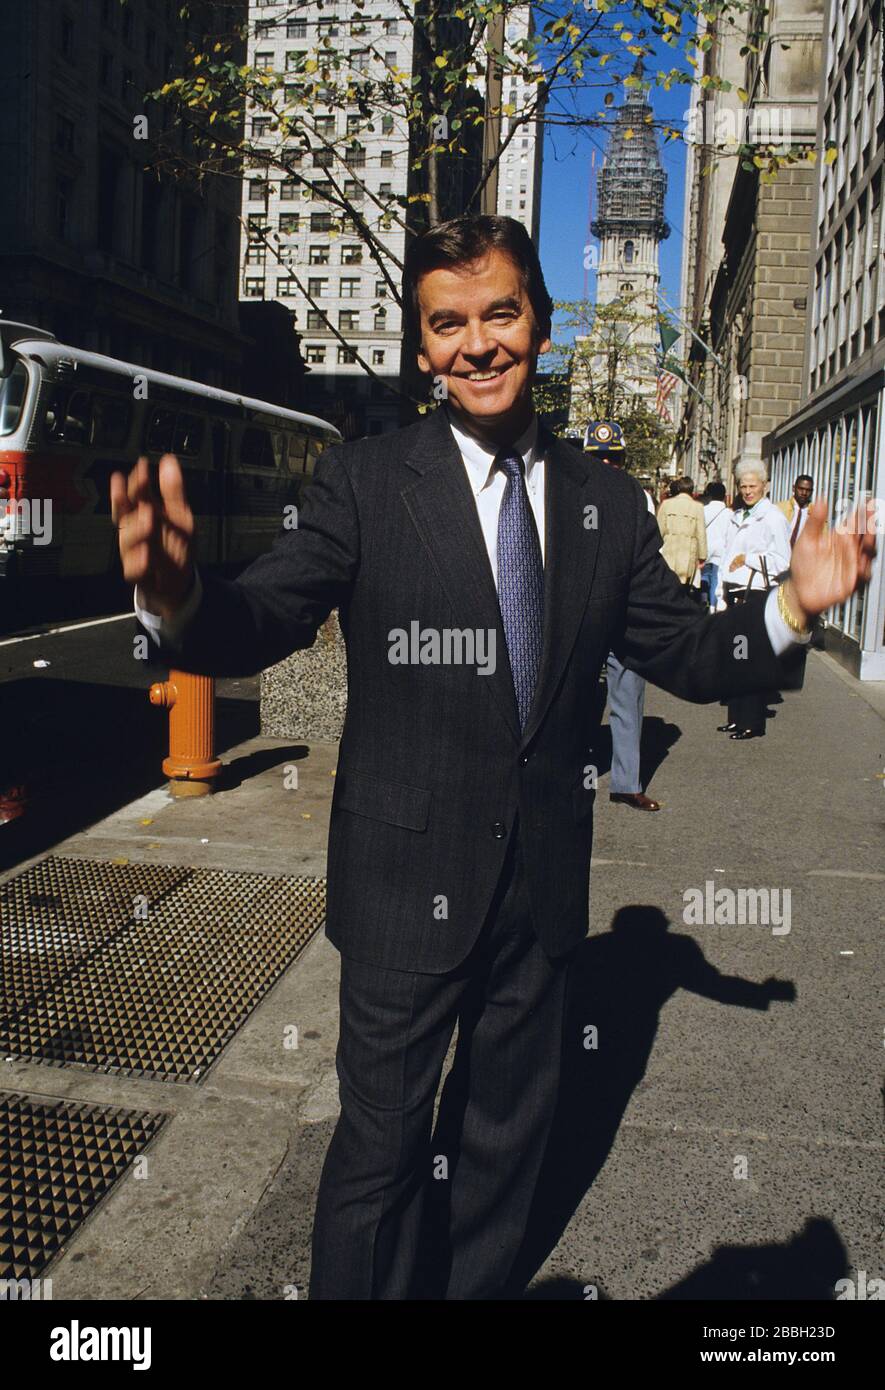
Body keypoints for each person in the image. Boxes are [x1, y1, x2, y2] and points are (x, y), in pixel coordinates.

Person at [110, 214, 875, 1301]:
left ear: (543, 326)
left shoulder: (608, 506)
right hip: (398, 885)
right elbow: (265, 613)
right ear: (423, 347)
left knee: (502, 1157)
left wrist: (797, 604)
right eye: (448, 323)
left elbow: (694, 656)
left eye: (500, 314)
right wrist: (178, 593)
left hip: (542, 897)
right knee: (377, 1162)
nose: (477, 344)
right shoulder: (365, 483)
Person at [584, 422, 659, 813]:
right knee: (572, 700)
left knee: (628, 698)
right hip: (580, 614)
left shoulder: (638, 498)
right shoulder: (564, 493)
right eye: (599, 457)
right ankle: (565, 774)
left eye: (614, 457)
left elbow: (649, 558)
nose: (607, 463)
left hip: (625, 613)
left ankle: (627, 783)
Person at [718, 460, 794, 740]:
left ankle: (752, 721)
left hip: (756, 593)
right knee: (736, 658)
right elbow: (727, 556)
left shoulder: (772, 517)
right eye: (743, 486)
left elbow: (783, 561)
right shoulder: (738, 515)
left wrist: (748, 559)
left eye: (753, 485)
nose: (748, 490)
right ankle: (737, 717)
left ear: (764, 486)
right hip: (736, 593)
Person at [656, 476, 707, 587]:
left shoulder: (666, 504)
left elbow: (658, 530)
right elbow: (701, 534)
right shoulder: (698, 507)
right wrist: (702, 556)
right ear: (692, 489)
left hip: (669, 549)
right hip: (688, 551)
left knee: (668, 582)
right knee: (684, 586)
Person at [701, 481, 731, 611]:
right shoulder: (729, 513)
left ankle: (703, 602)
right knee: (716, 578)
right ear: (724, 495)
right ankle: (713, 606)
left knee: (703, 576)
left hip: (705, 547)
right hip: (721, 549)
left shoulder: (703, 510)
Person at [777, 474, 814, 548]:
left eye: (808, 490)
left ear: (812, 491)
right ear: (794, 488)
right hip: (780, 554)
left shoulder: (815, 514)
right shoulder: (779, 508)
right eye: (801, 489)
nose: (804, 493)